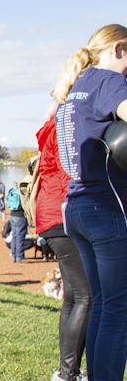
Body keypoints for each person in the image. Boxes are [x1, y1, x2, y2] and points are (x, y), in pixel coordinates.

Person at [53, 24, 127, 381]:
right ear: (118, 49)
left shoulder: (74, 86)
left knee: (102, 306)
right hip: (106, 208)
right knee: (117, 308)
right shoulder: (108, 81)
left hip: (77, 207)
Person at [36, 105, 91, 381]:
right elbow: (71, 171)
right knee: (87, 295)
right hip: (62, 213)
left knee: (73, 296)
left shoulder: (52, 125)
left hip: (52, 213)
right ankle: (68, 374)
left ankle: (68, 372)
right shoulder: (65, 125)